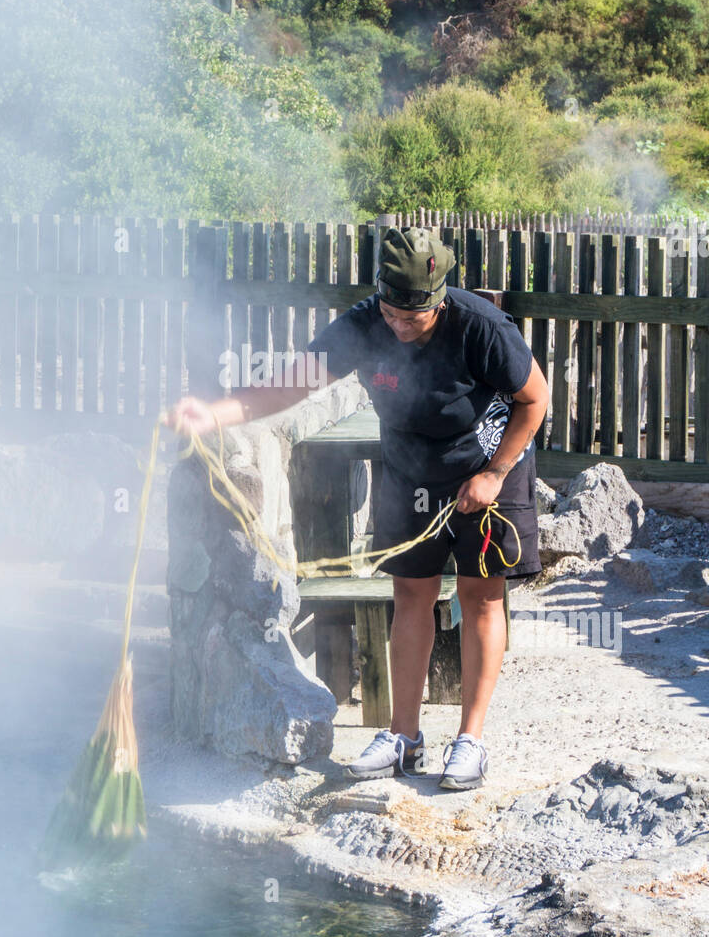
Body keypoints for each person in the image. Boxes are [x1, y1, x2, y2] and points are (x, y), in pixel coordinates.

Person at [165, 227, 549, 791]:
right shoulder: (362, 326)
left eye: (411, 317)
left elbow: (535, 398)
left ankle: (470, 741)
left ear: (439, 301)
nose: (397, 325)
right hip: (411, 468)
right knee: (411, 595)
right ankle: (403, 737)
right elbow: (287, 388)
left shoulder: (481, 327)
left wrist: (493, 474)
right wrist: (214, 414)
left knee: (479, 596)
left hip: (490, 464)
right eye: (391, 312)